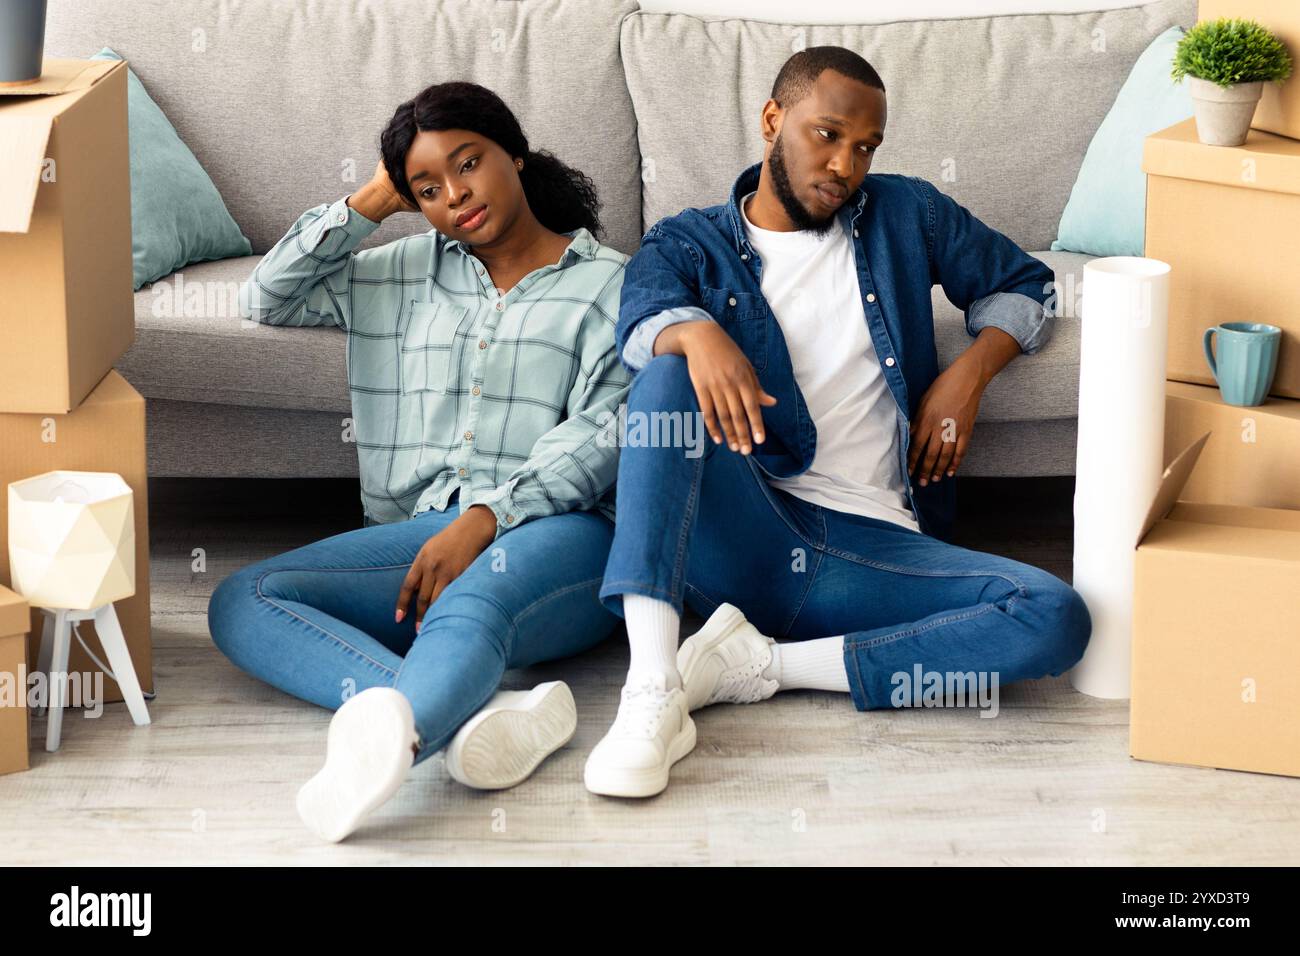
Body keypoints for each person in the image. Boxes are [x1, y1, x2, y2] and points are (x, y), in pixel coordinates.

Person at [583, 47, 1092, 799]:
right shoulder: (688, 242)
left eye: (865, 147)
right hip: (750, 535)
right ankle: (651, 686)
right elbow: (639, 326)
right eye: (827, 134)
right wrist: (695, 333)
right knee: (665, 372)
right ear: (772, 120)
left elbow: (1028, 284)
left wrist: (967, 375)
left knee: (1056, 617)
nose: (846, 164)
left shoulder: (906, 213)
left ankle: (758, 668)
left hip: (871, 552)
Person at [207, 81, 631, 840]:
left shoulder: (611, 283)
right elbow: (265, 298)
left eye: (468, 164)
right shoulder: (400, 271)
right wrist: (375, 196)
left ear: (517, 154)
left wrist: (485, 518)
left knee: (475, 601)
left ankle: (407, 735)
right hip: (420, 539)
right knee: (243, 599)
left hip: (562, 538)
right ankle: (475, 718)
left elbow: (603, 436)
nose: (455, 196)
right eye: (427, 188)